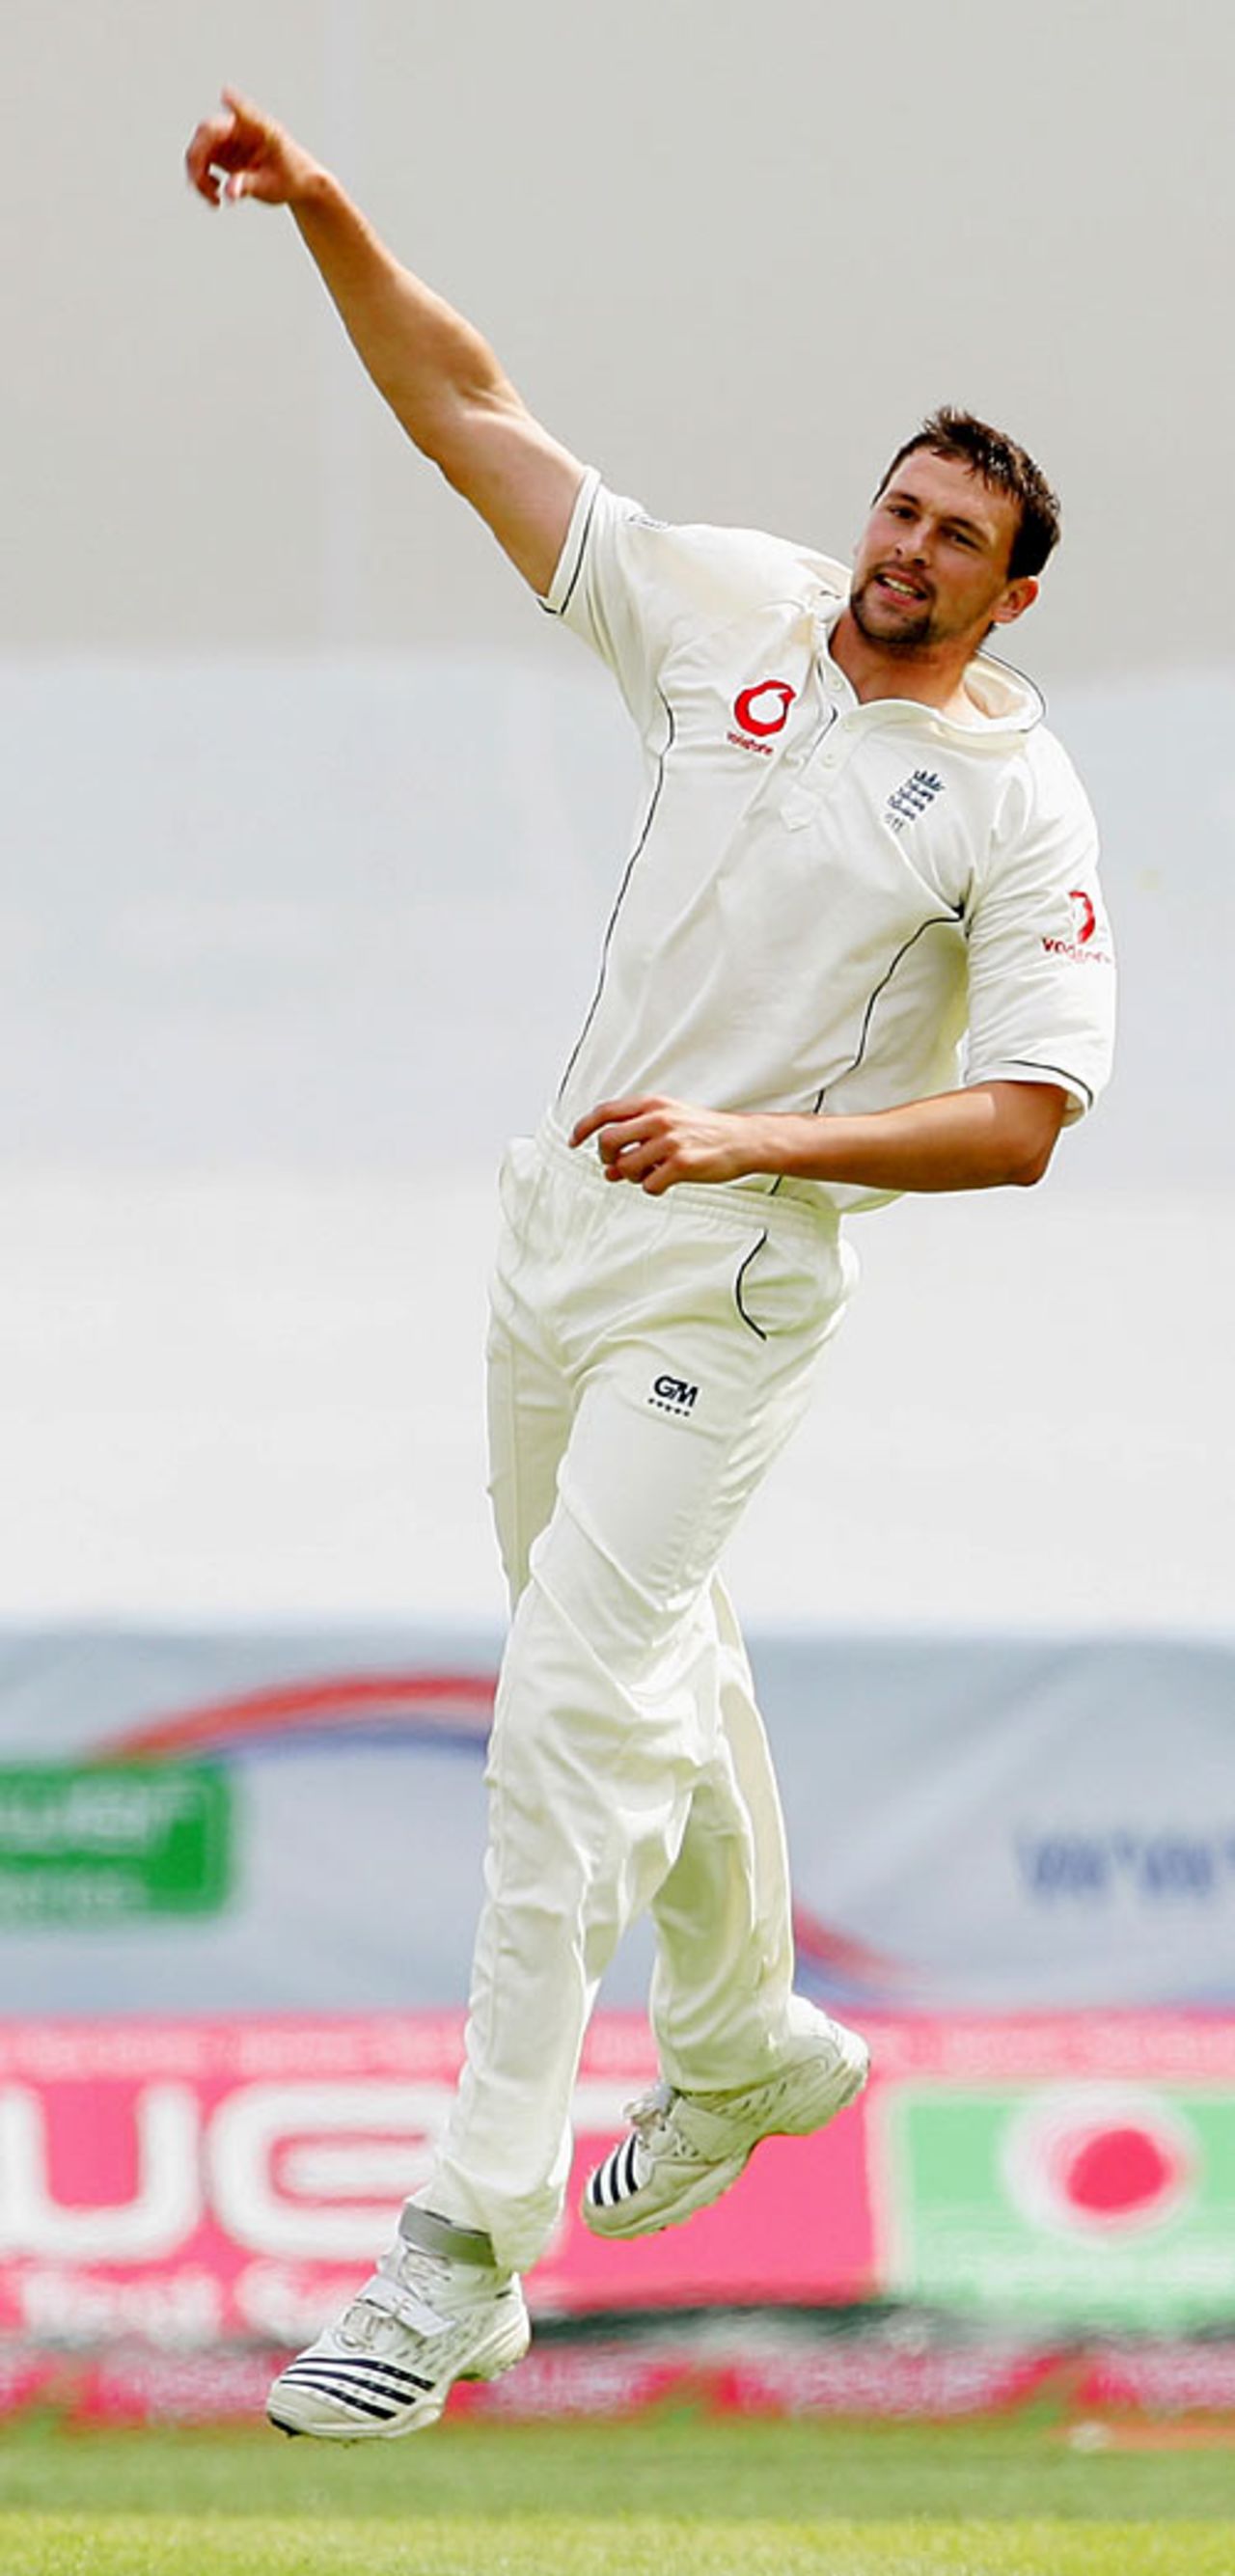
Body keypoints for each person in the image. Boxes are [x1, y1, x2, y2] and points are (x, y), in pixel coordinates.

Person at [185, 91, 1115, 2442]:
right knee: (645, 1662)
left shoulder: (1013, 803)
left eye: (953, 541)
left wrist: (751, 1136)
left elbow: (1019, 1124)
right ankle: (750, 2042)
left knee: (567, 1723)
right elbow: (469, 409)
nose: (898, 552)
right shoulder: (730, 614)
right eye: (895, 508)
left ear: (1015, 593)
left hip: (739, 1280)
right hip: (561, 1240)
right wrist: (324, 215)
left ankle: (461, 2248)